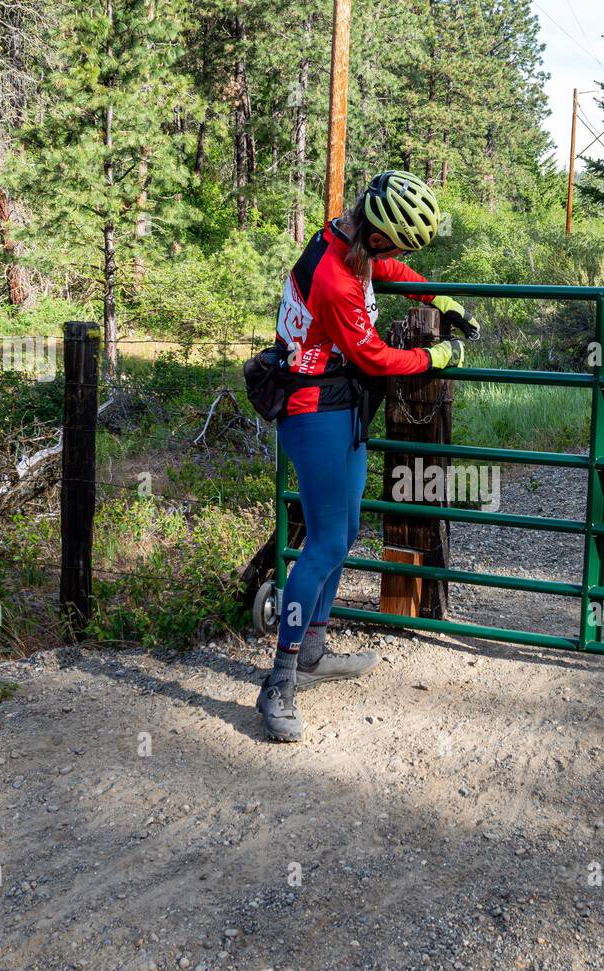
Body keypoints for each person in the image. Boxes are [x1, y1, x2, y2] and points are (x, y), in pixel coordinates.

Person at [257, 170, 481, 741]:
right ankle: (279, 682)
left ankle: (313, 648)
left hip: (341, 406)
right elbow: (378, 357)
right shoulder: (334, 279)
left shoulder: (344, 236)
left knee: (347, 527)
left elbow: (388, 268)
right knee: (326, 543)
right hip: (314, 410)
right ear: (377, 233)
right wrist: (437, 360)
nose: (399, 254)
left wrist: (438, 296)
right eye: (400, 242)